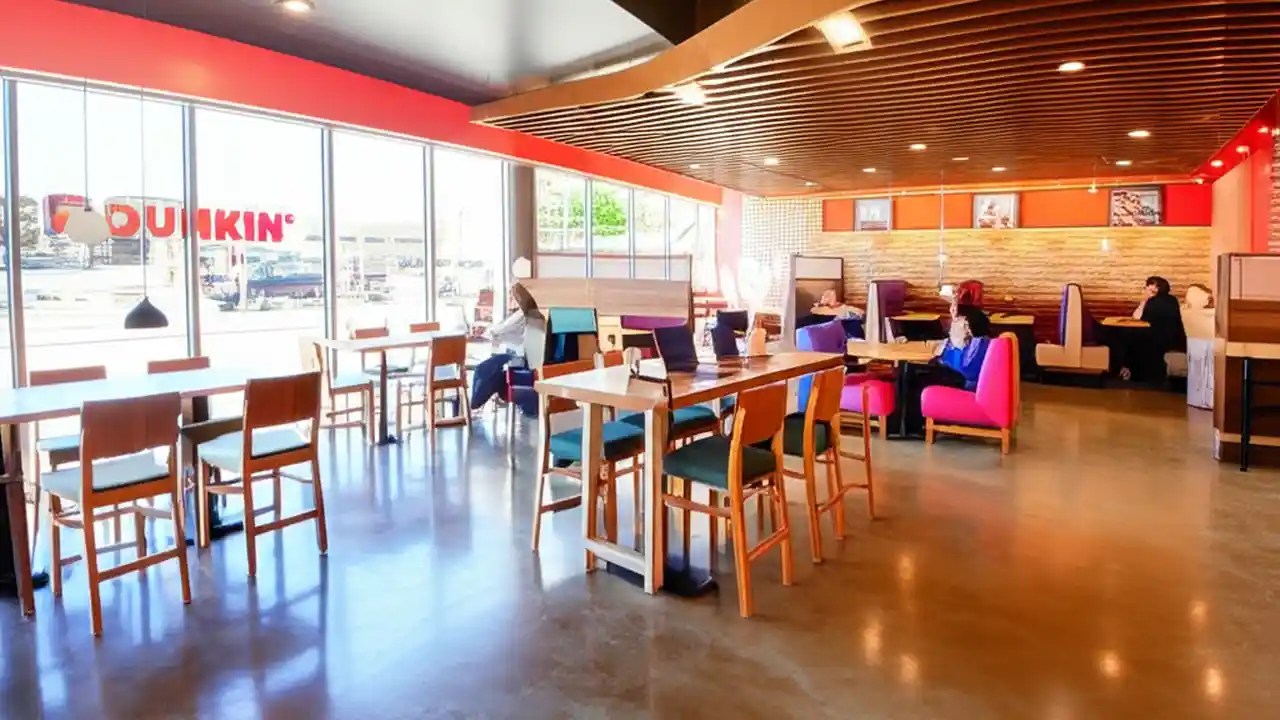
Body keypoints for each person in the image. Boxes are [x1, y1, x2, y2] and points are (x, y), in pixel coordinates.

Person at [900, 304, 991, 434]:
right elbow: (942, 355)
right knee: (908, 370)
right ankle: (903, 424)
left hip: (962, 380)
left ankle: (911, 426)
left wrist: (957, 345)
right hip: (953, 375)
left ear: (967, 325)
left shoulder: (979, 343)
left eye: (956, 320)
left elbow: (967, 371)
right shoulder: (964, 341)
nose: (952, 324)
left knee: (912, 371)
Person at [469, 283, 536, 411]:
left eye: (512, 296)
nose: (509, 298)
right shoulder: (521, 314)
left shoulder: (521, 315)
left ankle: (475, 402)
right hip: (516, 351)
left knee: (484, 369)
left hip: (517, 353)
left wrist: (485, 331)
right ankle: (476, 401)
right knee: (488, 367)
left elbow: (500, 331)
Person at [1118, 276, 1186, 381]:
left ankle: (1126, 370)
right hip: (1172, 339)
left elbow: (1137, 317)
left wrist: (1145, 300)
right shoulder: (1172, 300)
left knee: (1126, 336)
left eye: (1151, 289)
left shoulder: (1155, 302)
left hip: (1162, 339)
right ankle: (1127, 369)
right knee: (1130, 335)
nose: (1147, 291)